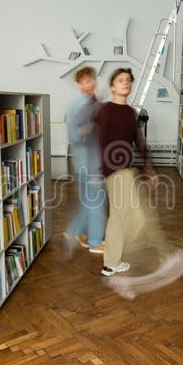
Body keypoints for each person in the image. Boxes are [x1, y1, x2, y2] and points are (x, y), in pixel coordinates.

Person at [95, 67, 183, 297]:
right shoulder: (106, 111)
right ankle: (164, 256)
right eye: (120, 80)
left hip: (128, 170)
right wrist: (104, 169)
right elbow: (99, 143)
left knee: (121, 217)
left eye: (128, 80)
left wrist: (150, 169)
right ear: (112, 86)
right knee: (141, 215)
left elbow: (139, 142)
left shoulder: (130, 112)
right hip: (115, 171)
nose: (125, 83)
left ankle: (112, 263)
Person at [64, 66, 105, 254]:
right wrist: (87, 128)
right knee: (96, 201)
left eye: (92, 79)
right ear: (79, 85)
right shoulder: (80, 106)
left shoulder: (93, 103)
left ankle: (73, 231)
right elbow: (73, 136)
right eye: (86, 80)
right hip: (88, 164)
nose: (91, 82)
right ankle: (96, 242)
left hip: (89, 161)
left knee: (88, 202)